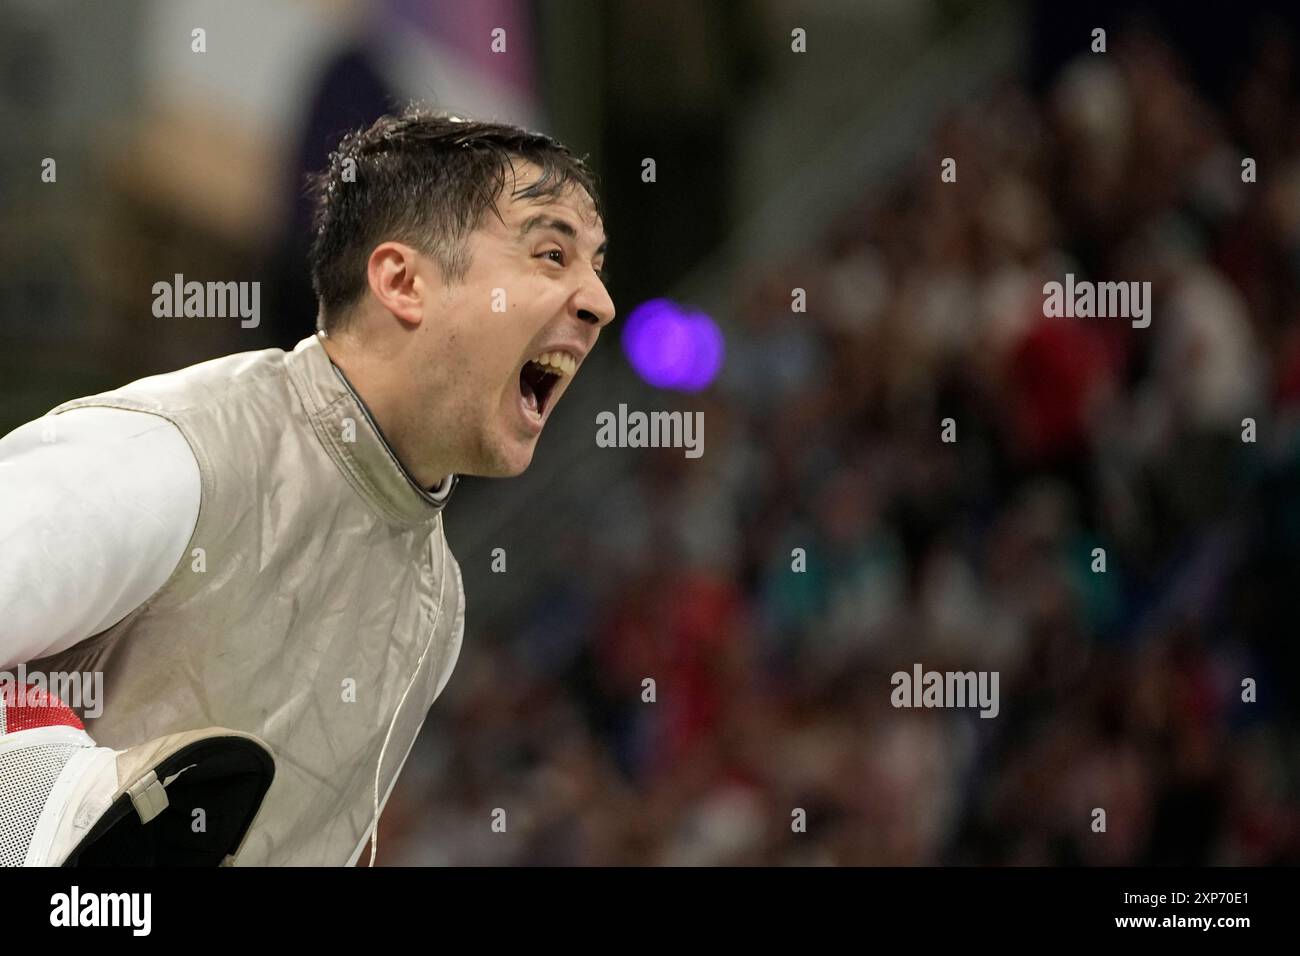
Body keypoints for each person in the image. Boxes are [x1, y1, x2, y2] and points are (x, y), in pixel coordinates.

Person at [0, 108, 615, 866]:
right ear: (403, 282)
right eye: (552, 254)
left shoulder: (435, 602)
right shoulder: (171, 456)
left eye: (596, 265)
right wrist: (36, 822)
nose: (599, 302)